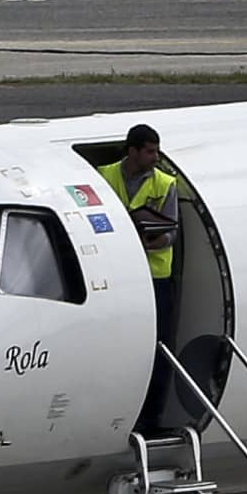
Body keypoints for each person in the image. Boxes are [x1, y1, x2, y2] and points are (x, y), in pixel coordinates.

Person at [96, 124, 180, 426]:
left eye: (156, 150)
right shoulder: (102, 176)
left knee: (158, 350)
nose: (156, 157)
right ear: (131, 151)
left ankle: (151, 419)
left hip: (156, 277)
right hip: (119, 277)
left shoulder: (165, 183)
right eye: (149, 151)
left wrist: (155, 241)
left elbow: (172, 231)